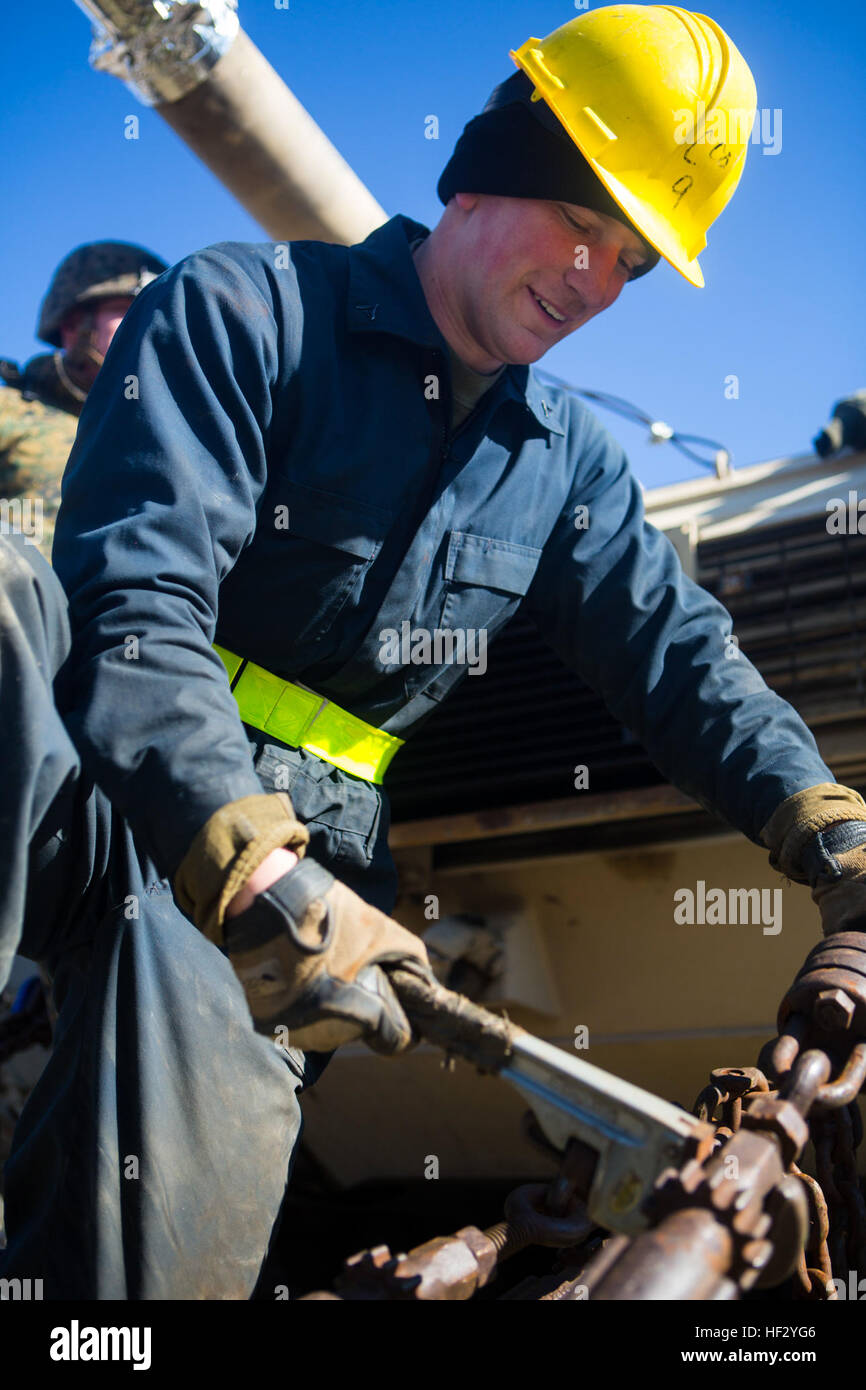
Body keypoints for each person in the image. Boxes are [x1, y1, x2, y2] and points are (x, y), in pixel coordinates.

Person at [2, 5, 865, 1300]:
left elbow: (676, 654)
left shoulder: (562, 460)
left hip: (304, 890)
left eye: (628, 260)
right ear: (481, 171)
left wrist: (826, 826)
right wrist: (242, 852)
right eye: (581, 222)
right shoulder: (247, 310)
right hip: (100, 784)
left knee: (142, 1278)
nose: (592, 280)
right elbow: (136, 591)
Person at [0, 242, 167, 561]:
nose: (153, 326)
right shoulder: (10, 411)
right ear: (75, 325)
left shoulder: (173, 442)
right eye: (130, 310)